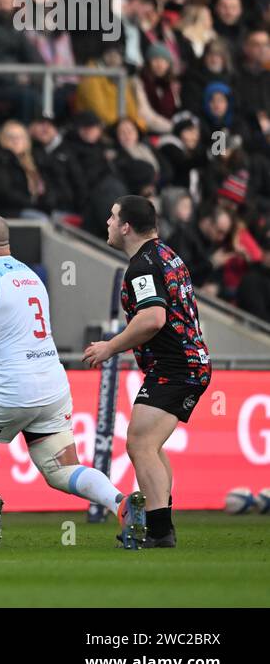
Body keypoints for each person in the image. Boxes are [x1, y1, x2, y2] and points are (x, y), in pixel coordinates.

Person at [0, 213, 140, 543]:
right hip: (51, 389)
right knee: (61, 471)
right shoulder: (31, 277)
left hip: (4, 391)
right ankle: (120, 503)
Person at [84, 196, 211, 549]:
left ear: (126, 226)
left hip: (176, 367)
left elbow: (153, 318)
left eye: (112, 217)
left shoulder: (142, 266)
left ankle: (158, 532)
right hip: (187, 363)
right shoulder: (167, 254)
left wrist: (110, 346)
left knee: (140, 443)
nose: (107, 223)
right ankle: (161, 522)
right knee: (150, 446)